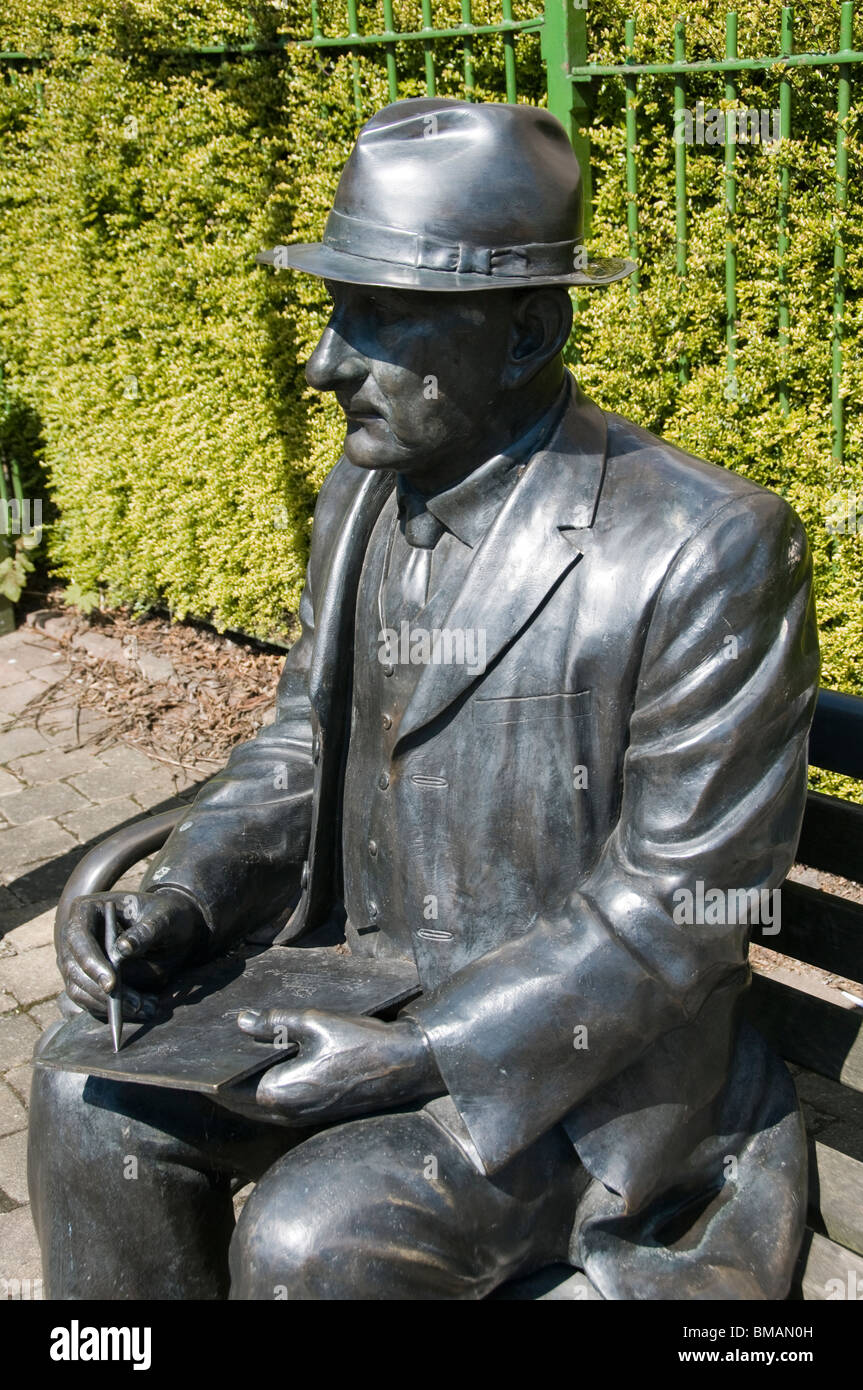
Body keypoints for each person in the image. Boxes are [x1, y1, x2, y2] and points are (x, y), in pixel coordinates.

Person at [29, 98, 819, 1300]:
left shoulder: (706, 547)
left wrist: (418, 1057)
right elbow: (299, 738)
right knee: (79, 1092)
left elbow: (681, 907)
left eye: (381, 317)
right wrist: (184, 896)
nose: (323, 363)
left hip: (579, 1076)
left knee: (312, 1239)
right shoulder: (366, 490)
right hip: (361, 982)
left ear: (524, 335)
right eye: (335, 309)